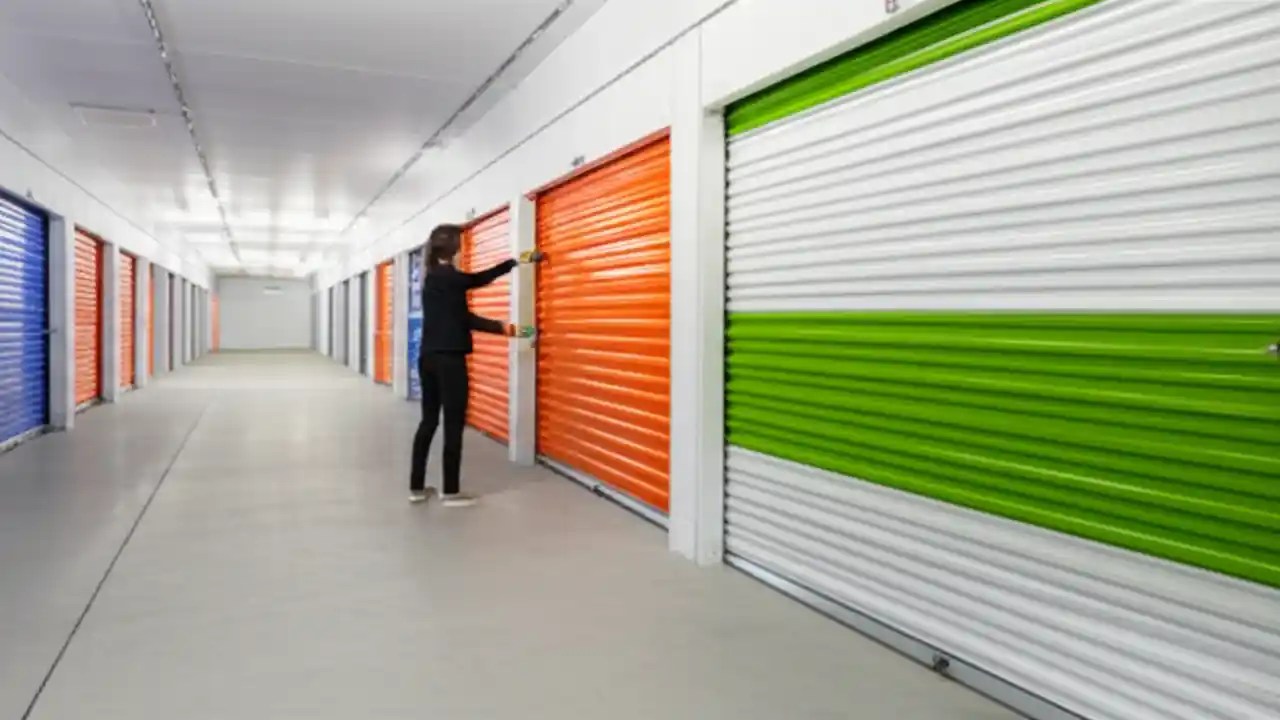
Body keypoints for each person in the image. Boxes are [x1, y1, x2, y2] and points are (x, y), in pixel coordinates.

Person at [409, 223, 539, 507]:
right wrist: (515, 261)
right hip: (450, 360)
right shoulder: (450, 277)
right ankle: (450, 491)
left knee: (428, 421)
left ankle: (417, 488)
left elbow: (465, 319)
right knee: (453, 424)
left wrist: (513, 330)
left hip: (428, 359)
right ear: (455, 247)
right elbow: (479, 279)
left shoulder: (432, 278)